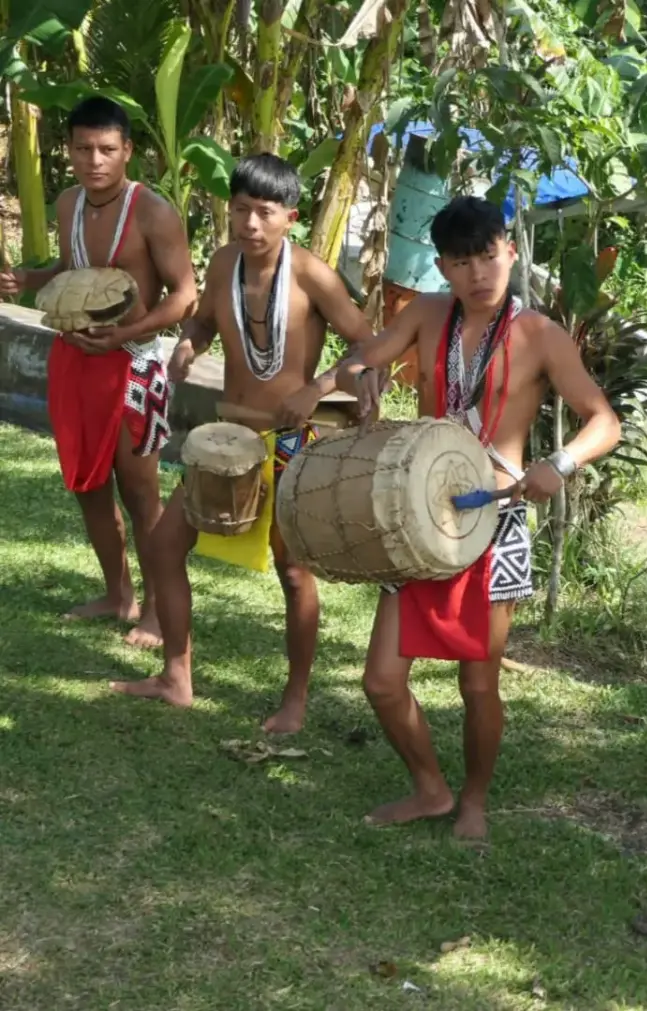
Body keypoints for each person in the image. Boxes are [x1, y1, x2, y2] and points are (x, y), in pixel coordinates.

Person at [300, 195, 621, 839]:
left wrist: (559, 463)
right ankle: (431, 788)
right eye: (461, 260)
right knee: (383, 682)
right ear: (443, 267)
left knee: (479, 687)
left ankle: (475, 799)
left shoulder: (538, 334)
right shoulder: (425, 312)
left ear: (509, 250)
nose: (479, 272)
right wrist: (358, 372)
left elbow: (604, 421)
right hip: (413, 513)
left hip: (493, 519)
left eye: (488, 253)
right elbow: (365, 356)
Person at [109, 153, 374, 734]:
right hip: (227, 438)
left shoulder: (311, 274)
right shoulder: (226, 260)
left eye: (265, 212)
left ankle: (296, 700)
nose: (250, 224)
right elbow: (202, 321)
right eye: (241, 210)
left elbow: (368, 345)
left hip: (291, 441)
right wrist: (188, 345)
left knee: (295, 573)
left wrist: (322, 388)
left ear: (291, 217)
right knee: (162, 547)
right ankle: (176, 677)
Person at [0, 96, 197, 648]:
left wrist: (126, 334)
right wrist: (28, 280)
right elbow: (72, 271)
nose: (95, 160)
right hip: (74, 361)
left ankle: (158, 612)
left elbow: (185, 295)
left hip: (135, 363)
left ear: (127, 150)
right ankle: (117, 594)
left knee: (141, 494)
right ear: (68, 151)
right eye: (83, 149)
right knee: (87, 486)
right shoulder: (68, 204)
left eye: (107, 149)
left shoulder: (153, 211)